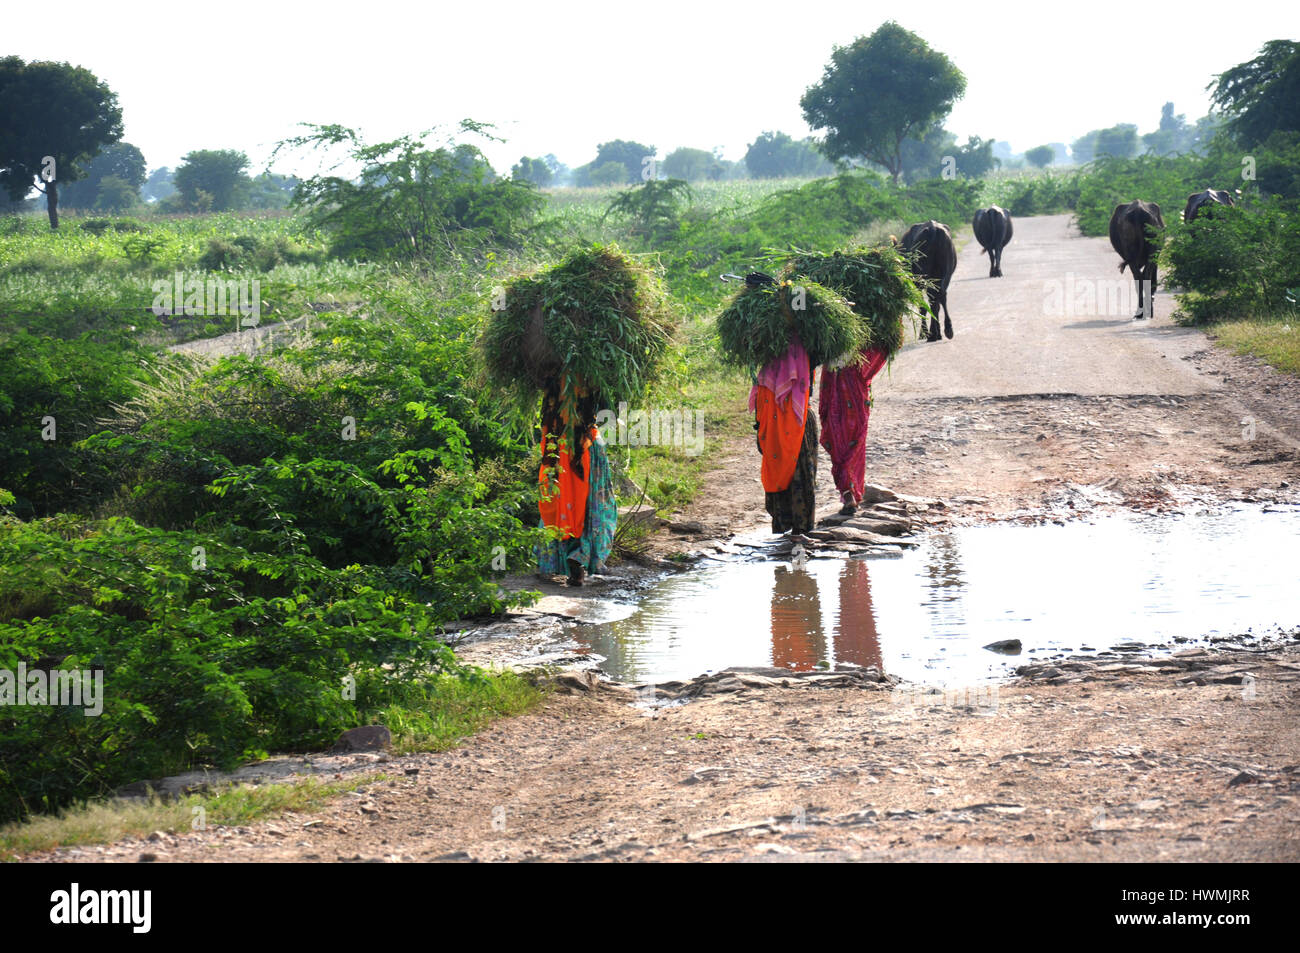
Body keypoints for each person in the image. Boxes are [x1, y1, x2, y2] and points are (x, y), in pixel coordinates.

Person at [535, 375, 617, 586]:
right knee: (589, 504)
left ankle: (568, 562)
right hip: (584, 448)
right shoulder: (589, 377)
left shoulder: (549, 377)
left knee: (559, 501)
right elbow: (606, 408)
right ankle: (579, 560)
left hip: (557, 448)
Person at [751, 335, 819, 536]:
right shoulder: (806, 352)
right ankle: (800, 526)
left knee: (785, 465)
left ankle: (785, 523)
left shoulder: (768, 358)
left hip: (778, 422)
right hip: (798, 420)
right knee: (800, 471)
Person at [818, 345, 890, 515]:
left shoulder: (849, 348)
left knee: (846, 442)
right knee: (847, 442)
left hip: (845, 391)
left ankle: (849, 492)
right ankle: (850, 492)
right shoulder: (855, 350)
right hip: (844, 391)